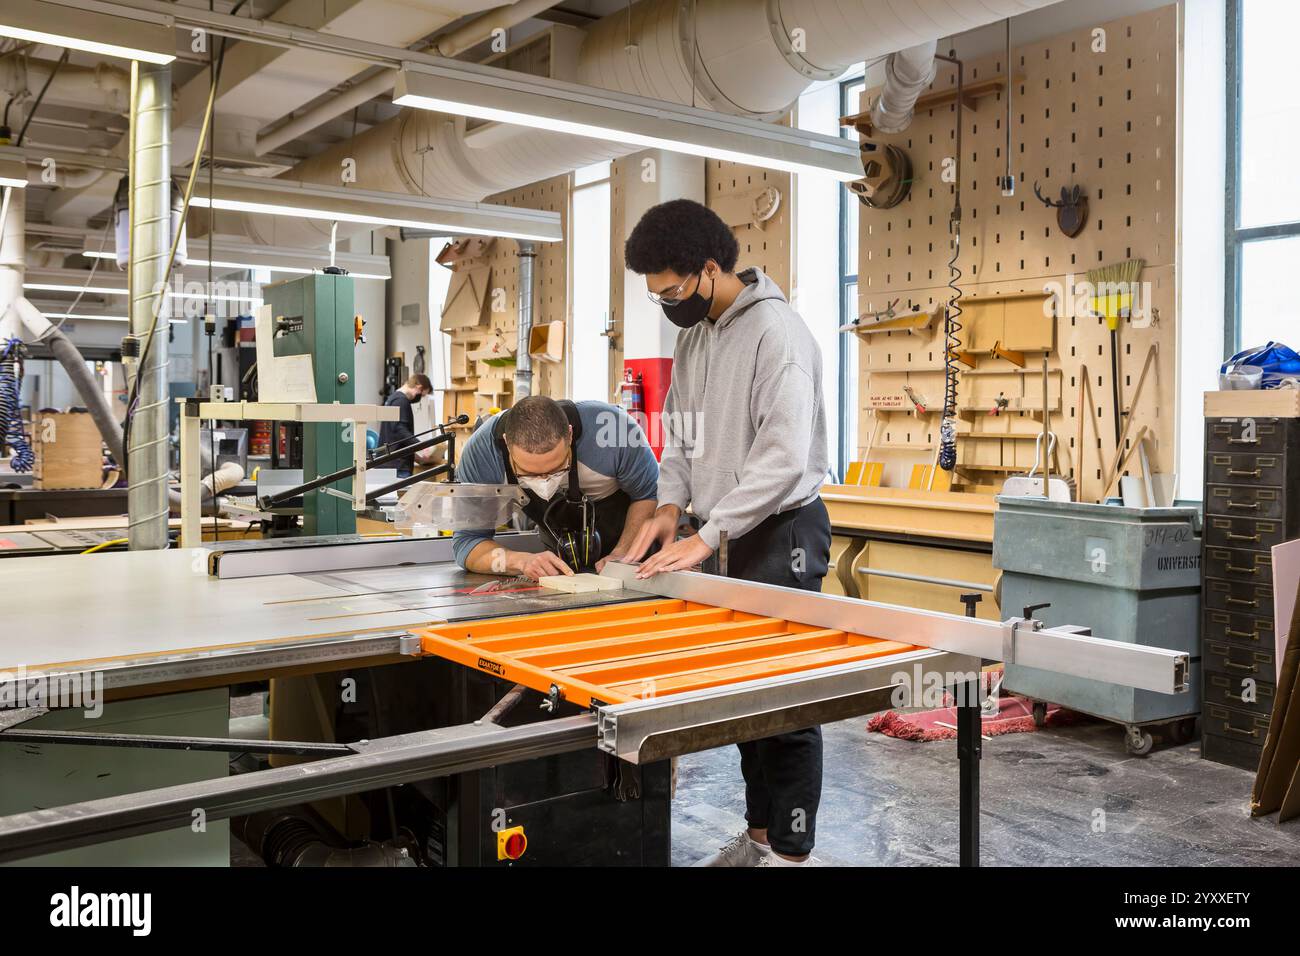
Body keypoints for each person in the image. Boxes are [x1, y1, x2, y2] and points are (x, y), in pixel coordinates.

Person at [623, 198, 832, 867]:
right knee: (745, 696)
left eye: (674, 290)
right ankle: (761, 837)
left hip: (781, 530)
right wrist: (667, 505)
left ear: (710, 269)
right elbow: (681, 440)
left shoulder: (779, 334)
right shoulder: (692, 337)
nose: (667, 304)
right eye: (656, 296)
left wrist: (710, 534)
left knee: (789, 700)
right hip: (723, 531)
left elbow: (783, 457)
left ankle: (792, 852)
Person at [453, 395, 659, 581]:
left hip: (634, 549)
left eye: (557, 469)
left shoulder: (613, 431)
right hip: (560, 551)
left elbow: (648, 494)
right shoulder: (482, 455)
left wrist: (623, 553)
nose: (544, 482)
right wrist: (522, 561)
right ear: (507, 443)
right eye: (528, 473)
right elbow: (468, 544)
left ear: (569, 435)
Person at [379, 374, 434, 478]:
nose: (419, 398)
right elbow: (400, 430)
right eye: (422, 395)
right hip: (398, 465)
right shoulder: (401, 401)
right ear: (419, 387)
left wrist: (417, 456)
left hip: (390, 463)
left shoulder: (392, 399)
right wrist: (421, 447)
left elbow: (395, 434)